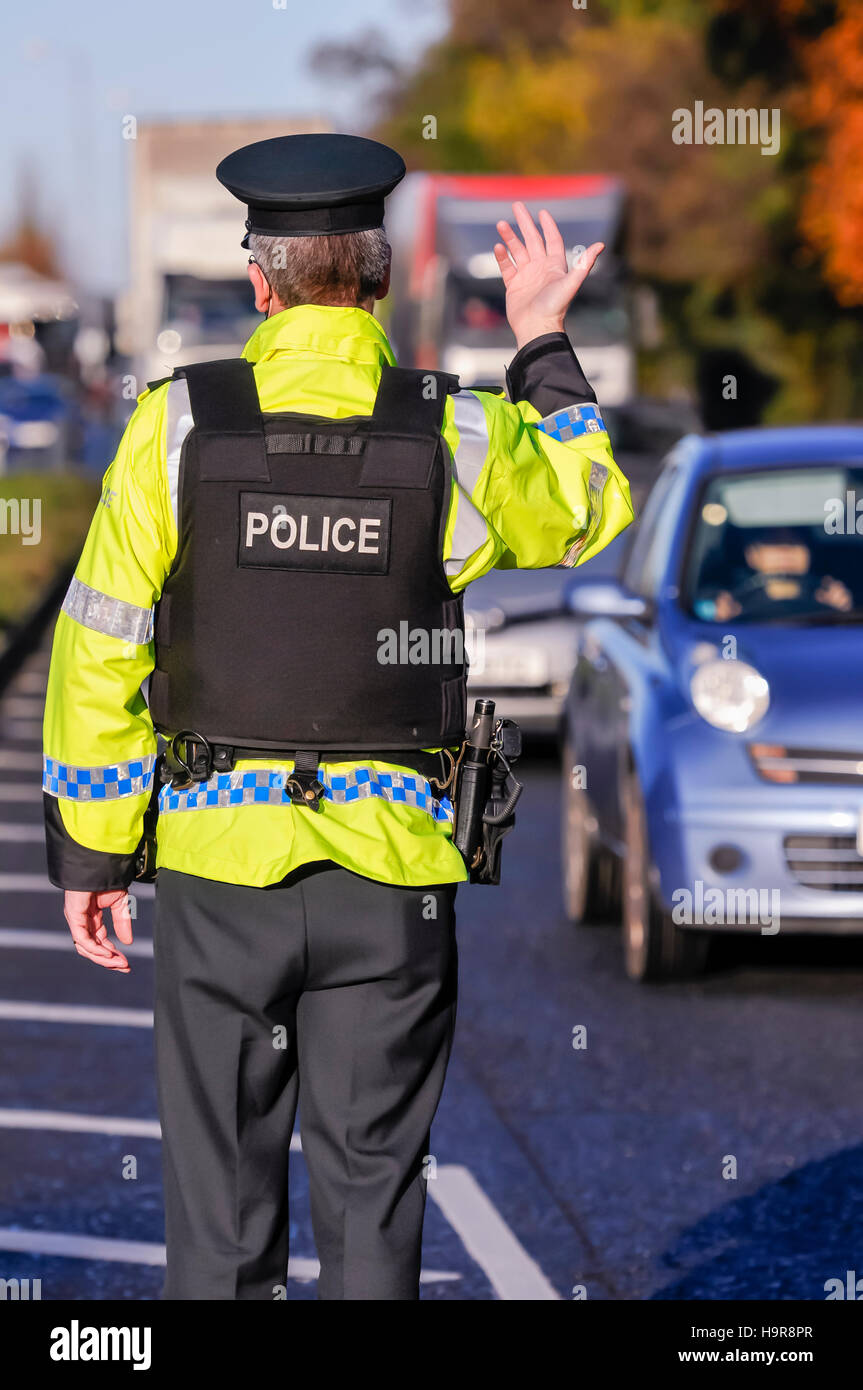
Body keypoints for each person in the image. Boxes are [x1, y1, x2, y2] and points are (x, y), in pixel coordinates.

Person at [42, 133, 633, 1300]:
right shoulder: (450, 431)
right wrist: (538, 340)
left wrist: (96, 852)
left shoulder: (176, 427)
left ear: (259, 280)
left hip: (219, 876)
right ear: (377, 277)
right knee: (372, 1212)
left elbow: (100, 642)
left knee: (218, 1228)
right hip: (392, 880)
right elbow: (586, 508)